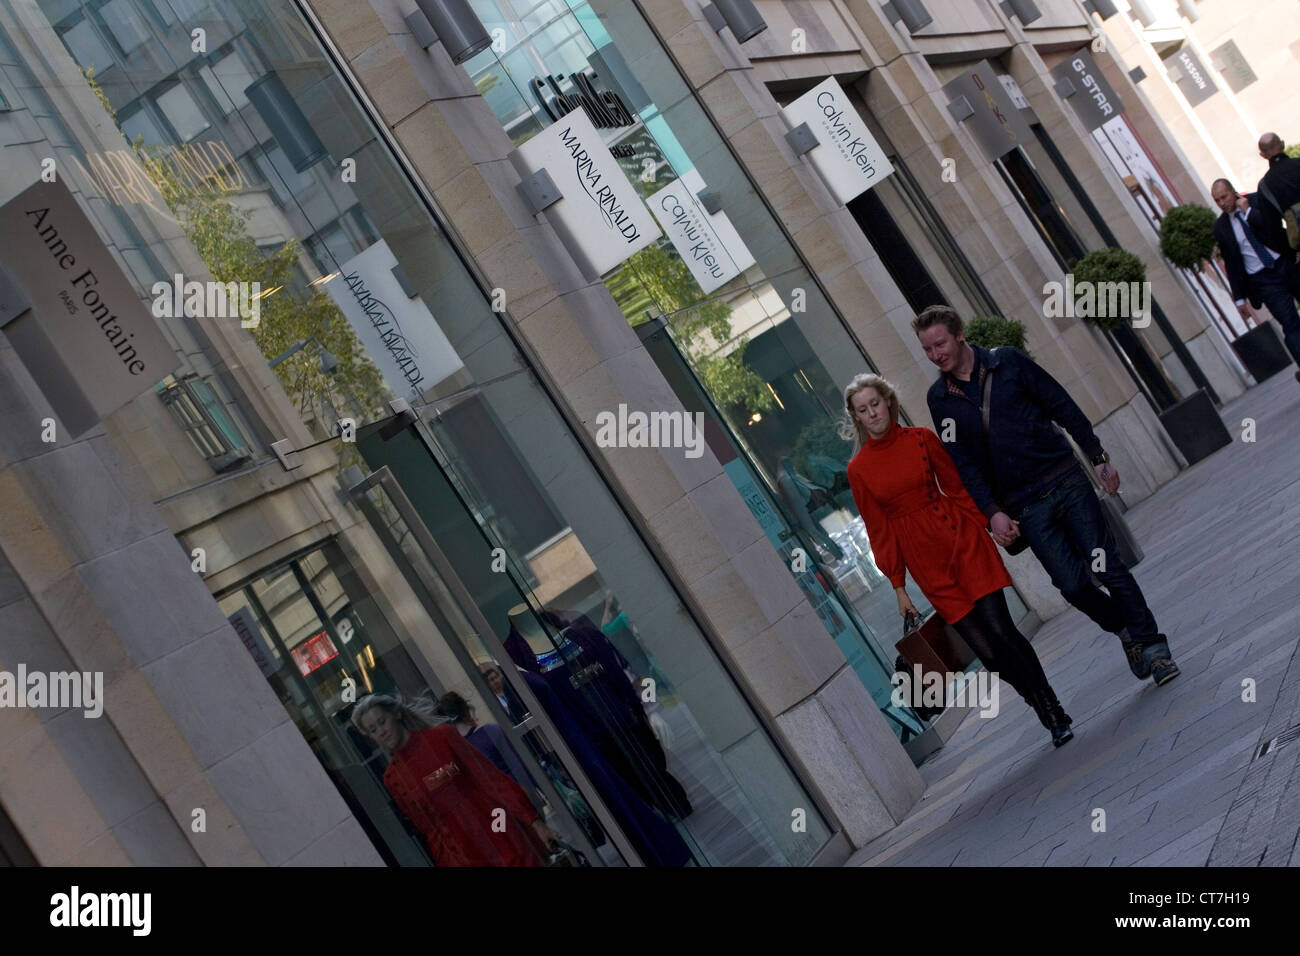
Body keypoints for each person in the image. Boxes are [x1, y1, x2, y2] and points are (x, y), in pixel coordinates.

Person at [915, 305, 1179, 687]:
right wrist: (991, 512)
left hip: (1066, 479)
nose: (935, 354)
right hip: (1024, 506)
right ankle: (1126, 629)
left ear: (958, 335)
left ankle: (1154, 650)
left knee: (1108, 567)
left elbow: (1061, 405)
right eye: (927, 349)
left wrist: (1098, 456)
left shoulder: (1008, 362)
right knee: (1072, 586)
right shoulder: (940, 399)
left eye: (939, 343)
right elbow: (963, 463)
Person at [843, 372, 1073, 745]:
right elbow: (878, 529)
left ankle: (1051, 709)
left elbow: (956, 486)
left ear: (888, 402)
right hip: (927, 564)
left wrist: (991, 521)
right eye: (863, 410)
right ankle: (1037, 700)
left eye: (875, 404)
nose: (872, 414)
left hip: (962, 541)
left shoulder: (921, 439)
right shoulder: (858, 470)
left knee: (1002, 633)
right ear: (856, 418)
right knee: (988, 653)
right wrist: (898, 586)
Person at [353, 693, 559, 866]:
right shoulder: (393, 779)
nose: (381, 731)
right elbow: (430, 831)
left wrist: (534, 822)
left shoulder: (443, 737)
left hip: (504, 837)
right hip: (465, 857)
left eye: (382, 722)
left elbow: (491, 780)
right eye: (373, 730)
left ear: (396, 714)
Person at [1210, 177, 1300, 377]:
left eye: (1224, 197)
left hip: (1286, 264)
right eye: (1217, 200)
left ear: (1233, 191)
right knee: (1290, 324)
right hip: (1264, 281)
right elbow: (1232, 264)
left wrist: (1248, 212)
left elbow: (1274, 227)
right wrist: (1239, 299)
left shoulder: (1256, 201)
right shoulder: (1221, 227)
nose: (1222, 203)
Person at [1257, 132, 1300, 224]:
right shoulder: (1298, 163)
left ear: (1262, 155)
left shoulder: (1264, 187)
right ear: (1283, 144)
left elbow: (1273, 228)